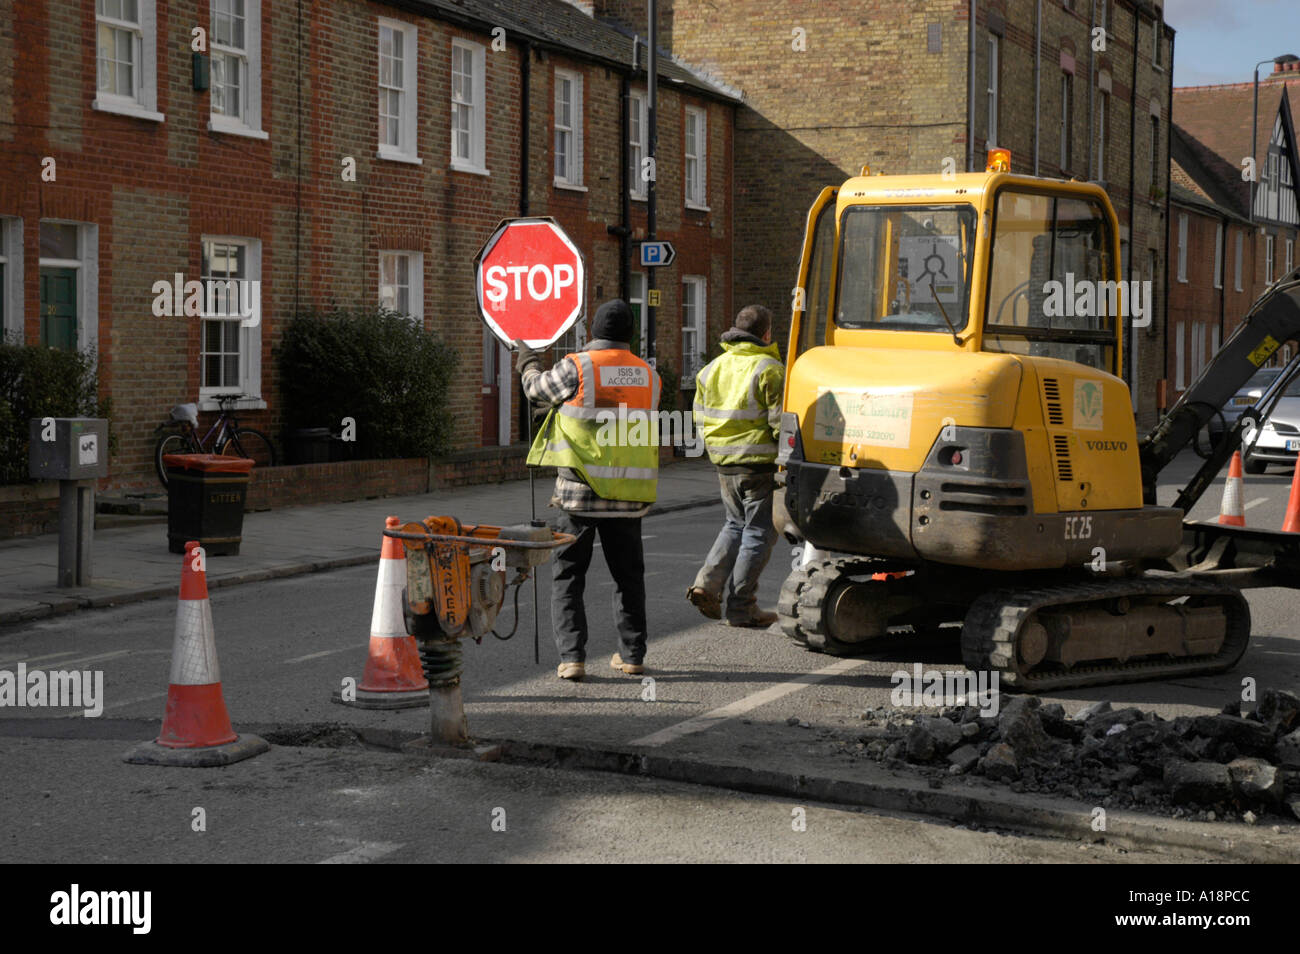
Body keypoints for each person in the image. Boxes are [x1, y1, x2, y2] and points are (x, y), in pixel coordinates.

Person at [515, 299, 661, 681]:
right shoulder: (649, 375)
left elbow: (536, 391)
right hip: (629, 496)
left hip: (578, 494)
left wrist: (528, 360)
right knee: (628, 578)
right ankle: (632, 657)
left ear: (593, 331)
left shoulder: (577, 366)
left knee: (568, 576)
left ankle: (573, 659)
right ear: (632, 333)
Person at [686, 304, 783, 628]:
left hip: (723, 463)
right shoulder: (769, 368)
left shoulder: (710, 370)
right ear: (766, 334)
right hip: (759, 466)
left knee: (734, 525)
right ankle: (742, 607)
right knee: (758, 532)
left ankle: (707, 584)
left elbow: (699, 418)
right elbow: (780, 424)